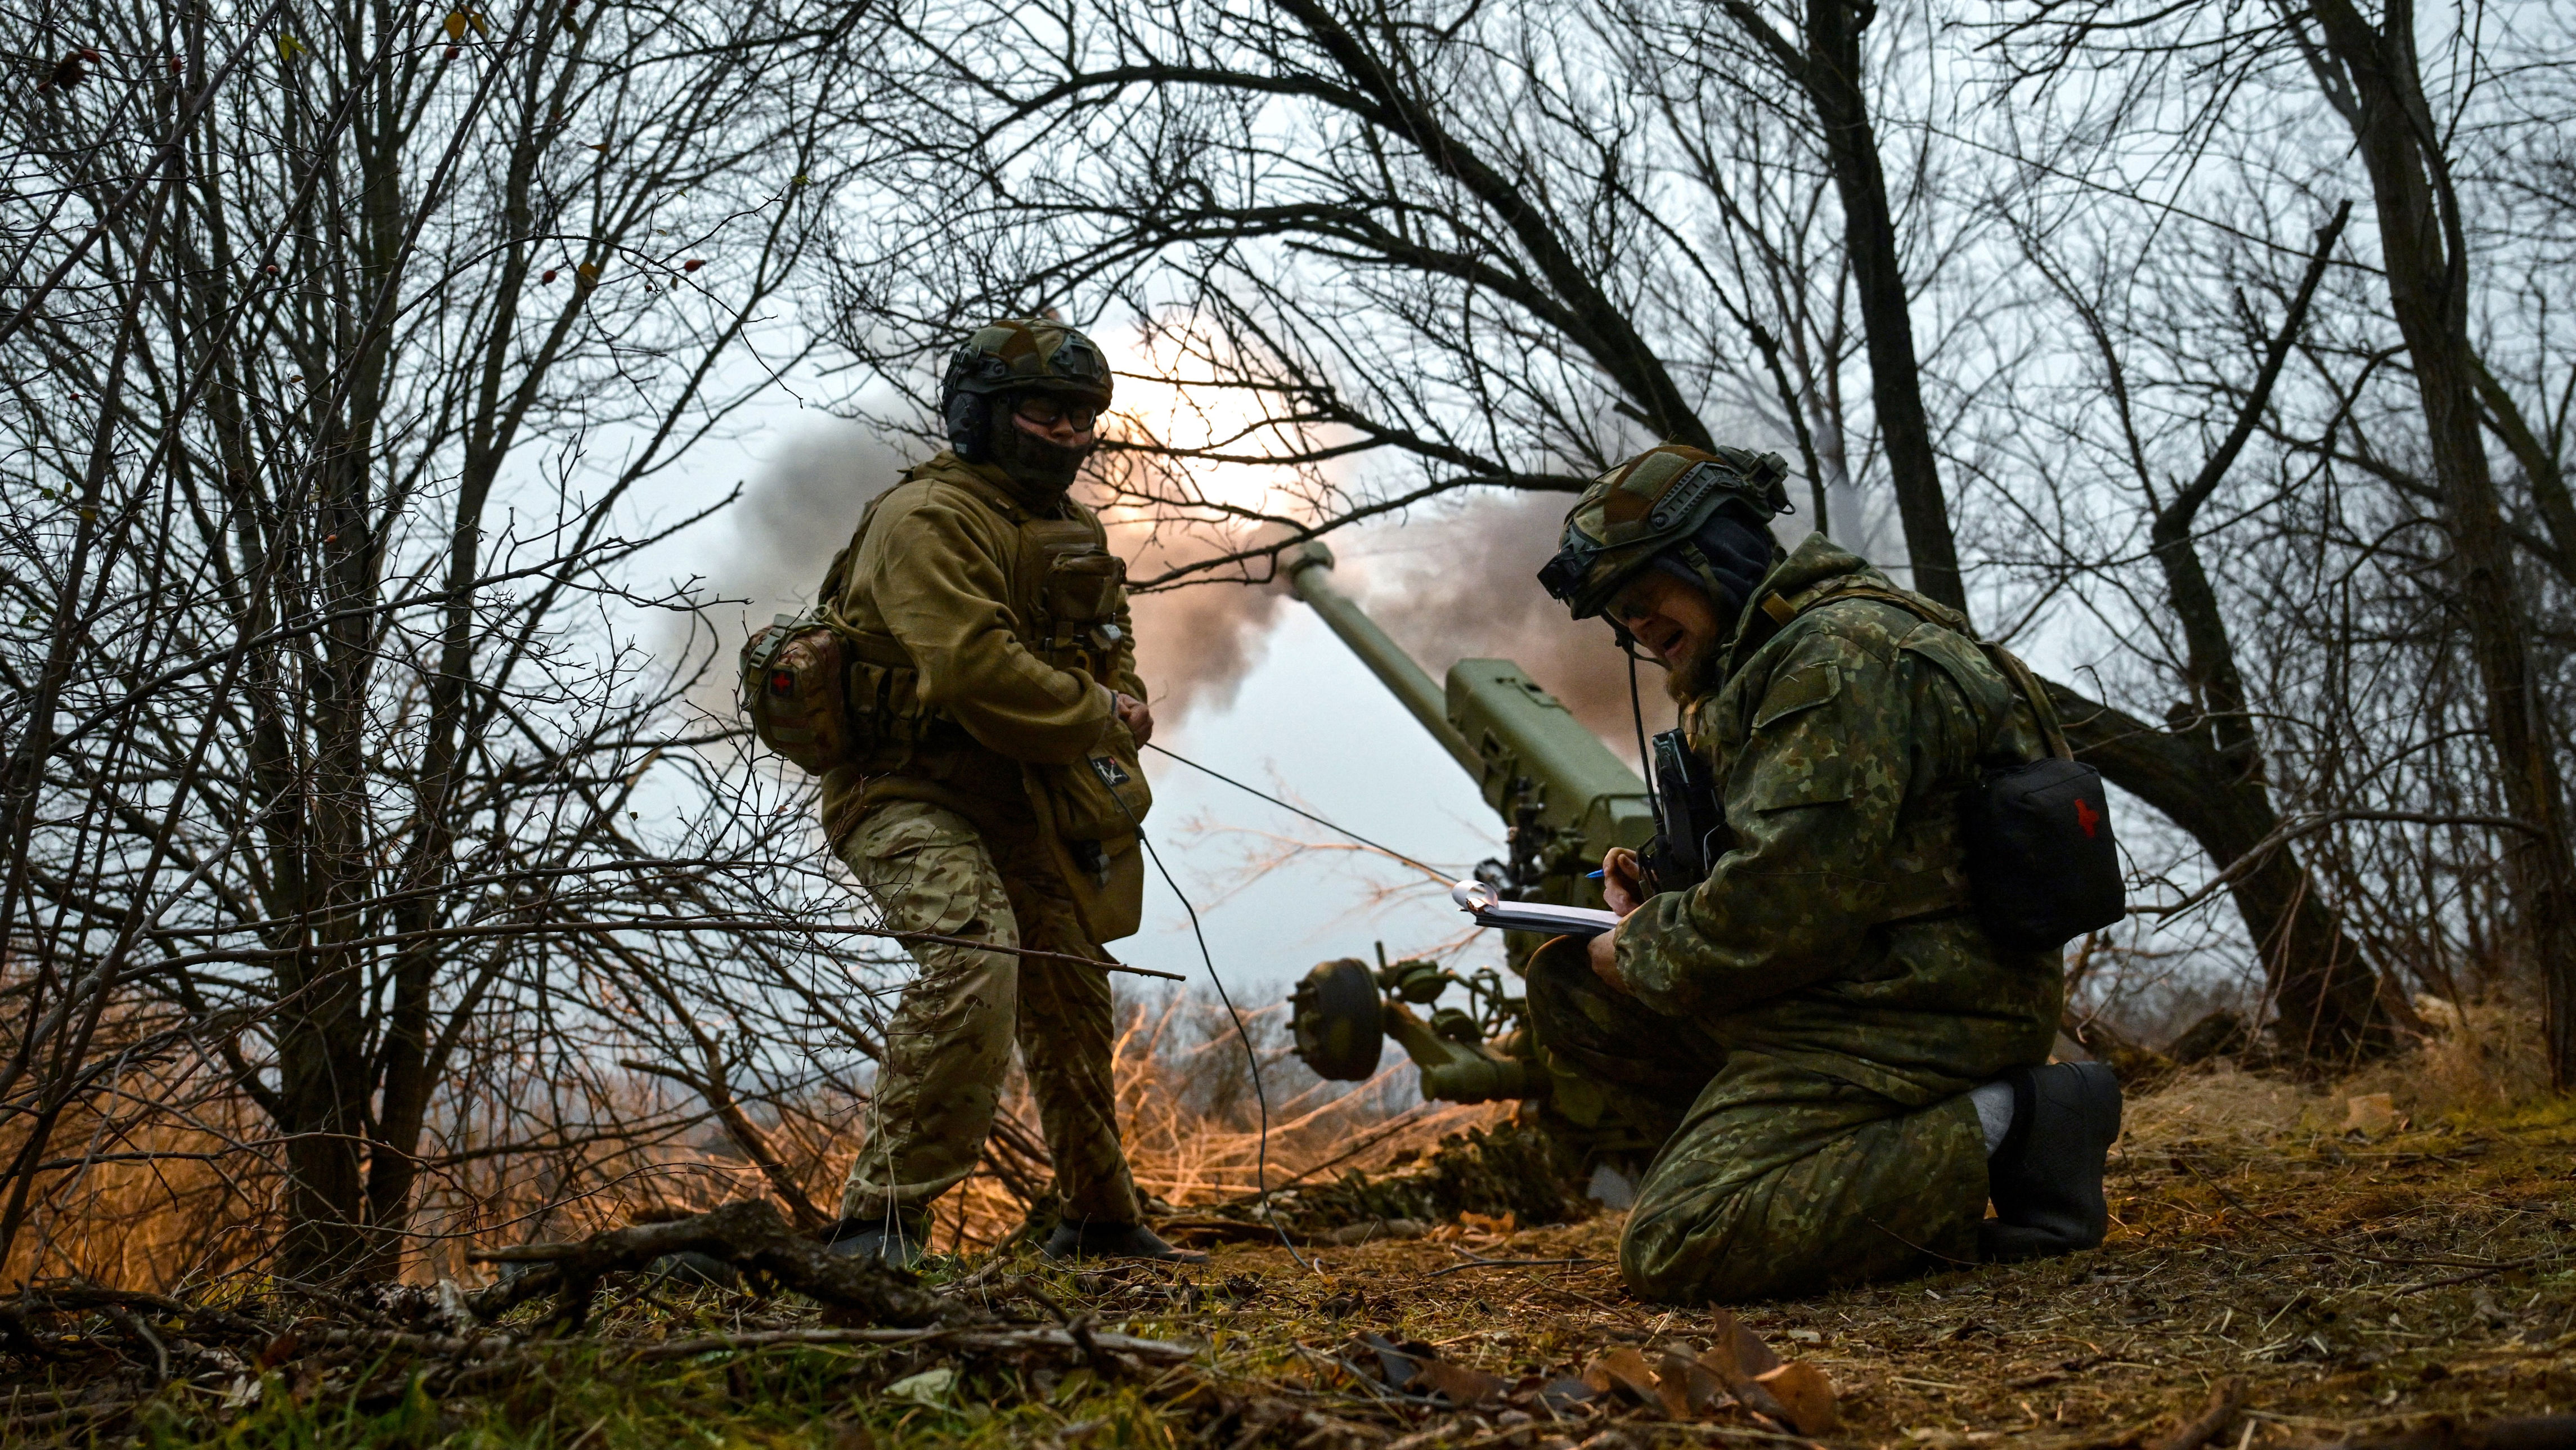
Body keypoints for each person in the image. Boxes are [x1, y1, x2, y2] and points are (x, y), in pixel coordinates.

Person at [1528, 442, 2122, 1303]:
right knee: (1575, 988)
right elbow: (1819, 865)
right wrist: (1660, 901)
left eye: (1642, 597)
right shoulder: (1784, 653)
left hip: (1920, 1008)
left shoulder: (1833, 660)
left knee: (1674, 1244)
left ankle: (2012, 1121)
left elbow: (1786, 907)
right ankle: (1797, 1165)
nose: (1634, 629)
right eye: (1617, 615)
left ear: (1711, 553)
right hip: (1869, 979)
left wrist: (1649, 940)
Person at [813, 317, 1202, 1268]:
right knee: (973, 960)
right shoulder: (925, 520)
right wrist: (1104, 713)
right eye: (1043, 412)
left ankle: (1100, 1220)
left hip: (1028, 793)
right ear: (978, 415)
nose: (1066, 435)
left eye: (1081, 417)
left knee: (1071, 987)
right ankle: (877, 1227)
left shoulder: (1073, 530)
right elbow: (974, 669)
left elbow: (1112, 647)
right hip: (904, 789)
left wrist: (1123, 702)